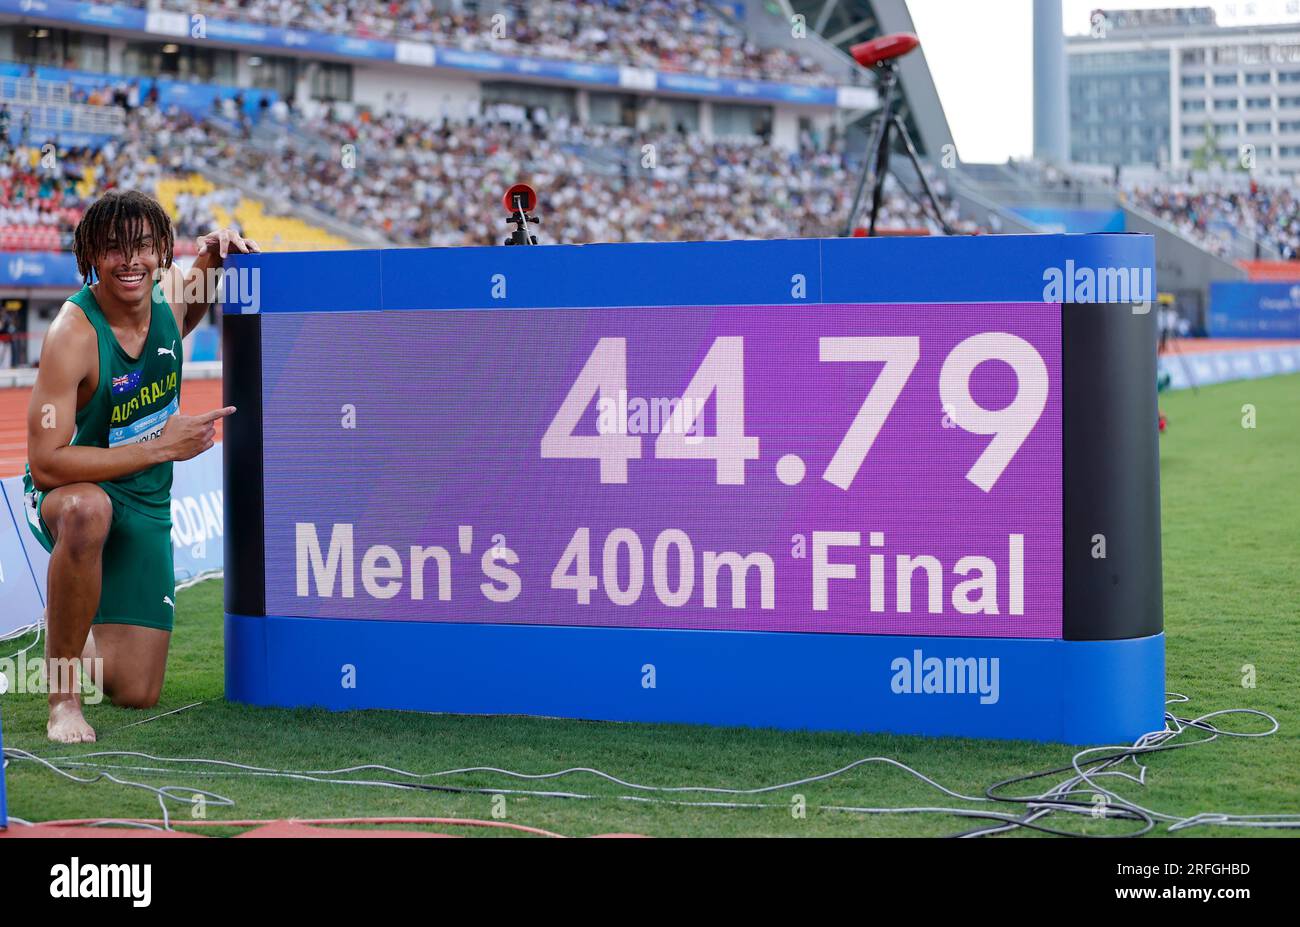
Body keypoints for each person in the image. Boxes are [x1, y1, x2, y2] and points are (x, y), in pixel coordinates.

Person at [22, 189, 258, 743]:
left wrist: (214, 258)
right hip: (71, 489)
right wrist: (159, 446)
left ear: (161, 252)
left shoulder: (171, 290)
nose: (130, 261)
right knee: (87, 510)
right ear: (91, 257)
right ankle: (62, 698)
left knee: (136, 691)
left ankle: (69, 620)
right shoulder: (71, 335)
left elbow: (188, 311)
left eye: (144, 247)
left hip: (146, 502)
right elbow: (47, 461)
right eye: (114, 249)